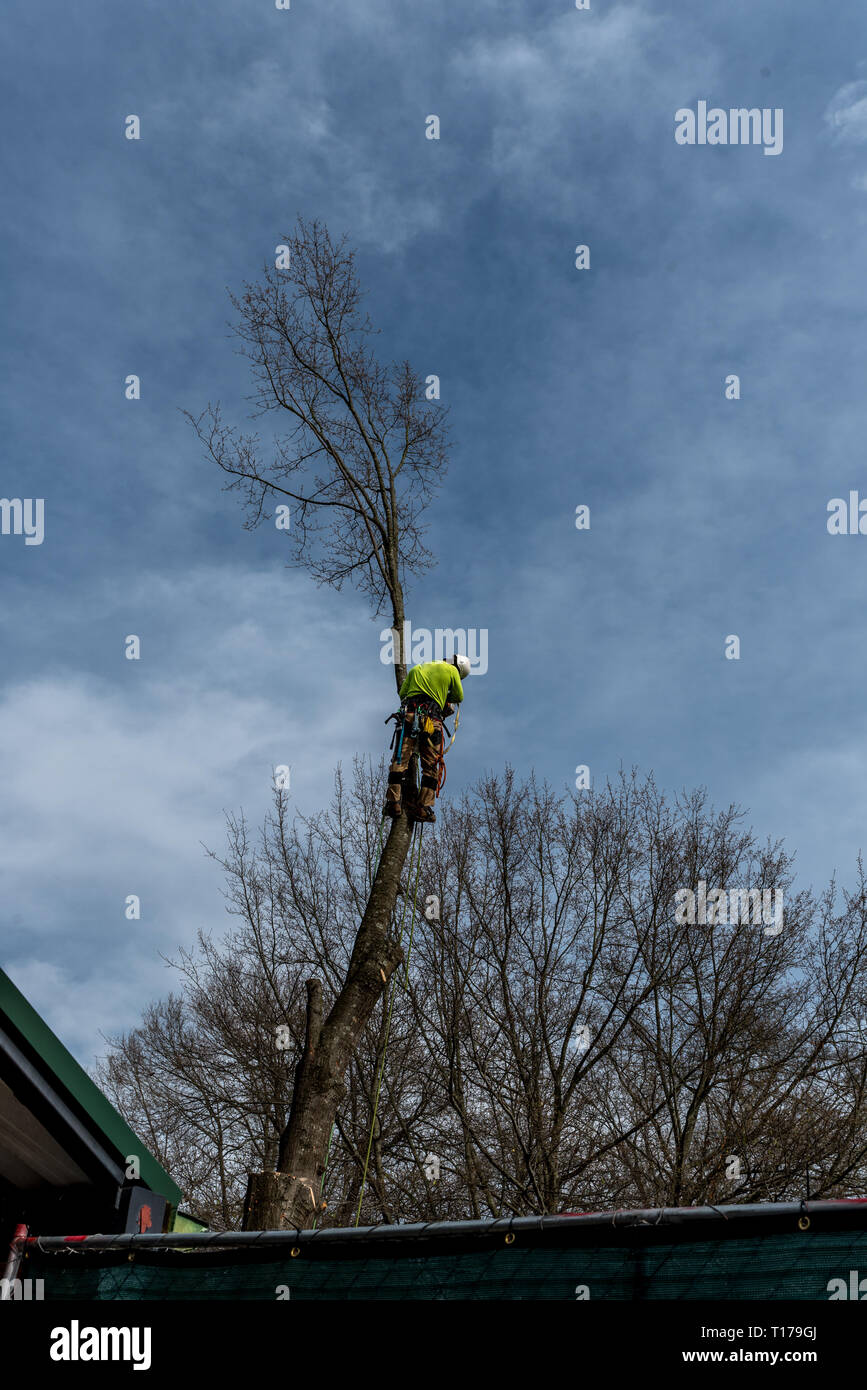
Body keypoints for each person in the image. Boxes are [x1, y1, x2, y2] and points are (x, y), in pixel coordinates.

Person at [384, 654, 470, 823]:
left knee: (400, 761)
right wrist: (443, 696)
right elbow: (459, 697)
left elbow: (403, 693)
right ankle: (423, 807)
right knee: (431, 767)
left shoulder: (418, 668)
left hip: (408, 715)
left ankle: (393, 802)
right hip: (432, 721)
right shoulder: (451, 670)